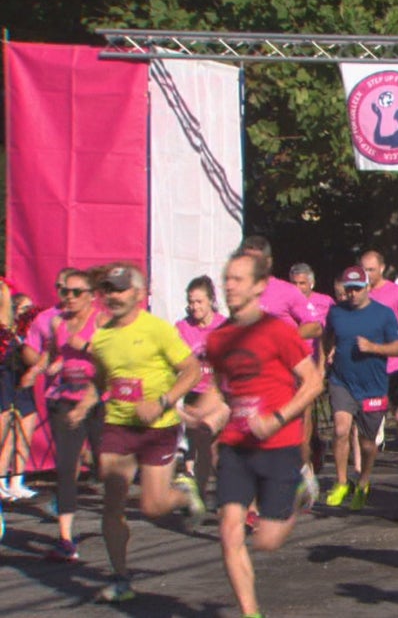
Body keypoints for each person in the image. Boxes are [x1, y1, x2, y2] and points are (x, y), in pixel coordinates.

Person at [184, 251, 324, 618]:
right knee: (229, 531)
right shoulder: (219, 339)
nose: (229, 286)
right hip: (236, 446)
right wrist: (200, 413)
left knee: (266, 541)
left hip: (278, 445)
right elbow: (222, 387)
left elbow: (313, 382)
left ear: (259, 286)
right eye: (227, 279)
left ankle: (296, 491)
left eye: (239, 279)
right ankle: (250, 613)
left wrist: (277, 418)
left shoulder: (277, 331)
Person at [79, 264, 204, 602]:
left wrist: (163, 401)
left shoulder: (158, 330)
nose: (114, 296)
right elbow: (101, 380)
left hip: (158, 427)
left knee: (152, 507)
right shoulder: (102, 338)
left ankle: (181, 494)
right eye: (108, 289)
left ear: (137, 294)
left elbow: (191, 371)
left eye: (120, 289)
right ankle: (121, 578)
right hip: (118, 424)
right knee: (112, 498)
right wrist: (87, 407)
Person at [23, 270, 107, 560]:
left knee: (104, 465)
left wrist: (82, 345)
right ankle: (65, 539)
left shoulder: (100, 321)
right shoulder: (57, 322)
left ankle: (112, 518)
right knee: (65, 468)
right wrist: (40, 370)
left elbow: (112, 358)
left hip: (97, 400)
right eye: (64, 292)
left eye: (76, 292)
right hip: (64, 401)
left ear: (91, 295)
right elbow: (50, 354)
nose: (68, 297)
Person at [237, 236, 322, 507]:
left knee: (294, 433)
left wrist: (279, 340)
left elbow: (315, 326)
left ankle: (303, 468)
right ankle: (253, 505)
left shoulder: (286, 292)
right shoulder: (238, 291)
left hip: (290, 371)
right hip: (254, 375)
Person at [322, 266, 398, 510]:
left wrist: (373, 348)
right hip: (342, 381)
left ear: (368, 288)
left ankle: (363, 482)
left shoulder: (384, 314)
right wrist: (328, 353)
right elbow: (327, 337)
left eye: (358, 289)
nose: (353, 294)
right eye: (349, 289)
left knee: (369, 444)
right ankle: (340, 482)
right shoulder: (336, 313)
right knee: (340, 429)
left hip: (373, 386)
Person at [360, 250, 398, 466]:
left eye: (371, 270)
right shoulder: (359, 294)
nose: (366, 275)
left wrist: (392, 334)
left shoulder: (397, 294)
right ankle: (363, 463)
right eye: (363, 270)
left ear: (382, 269)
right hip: (370, 364)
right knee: (369, 411)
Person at [174, 276, 227, 502]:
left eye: (199, 302)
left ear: (211, 301)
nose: (194, 307)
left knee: (214, 449)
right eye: (191, 302)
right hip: (194, 394)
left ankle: (232, 497)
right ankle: (202, 495)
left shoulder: (223, 325)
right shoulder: (182, 327)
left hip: (218, 395)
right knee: (201, 449)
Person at [0, 283, 39, 502]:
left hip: (23, 389)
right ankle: (2, 480)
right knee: (6, 436)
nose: (27, 312)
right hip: (7, 386)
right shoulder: (7, 333)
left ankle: (17, 480)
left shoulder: (26, 335)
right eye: (24, 308)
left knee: (22, 435)